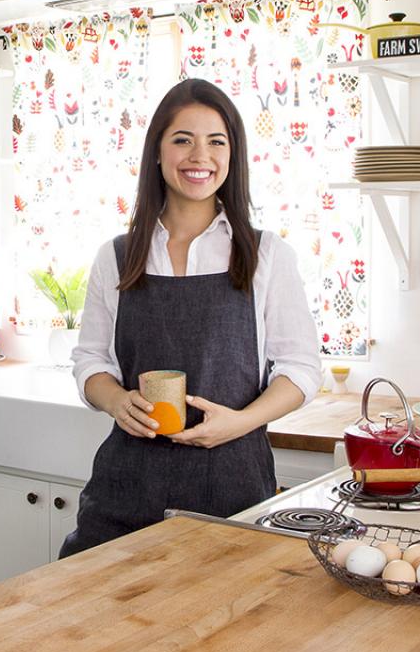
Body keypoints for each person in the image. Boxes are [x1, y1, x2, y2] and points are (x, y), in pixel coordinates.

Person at [59, 78, 321, 558]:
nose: (200, 155)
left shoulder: (266, 255)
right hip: (125, 491)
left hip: (231, 490)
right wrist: (117, 401)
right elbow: (90, 360)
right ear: (157, 152)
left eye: (216, 141)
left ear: (232, 155)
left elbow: (301, 369)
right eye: (183, 140)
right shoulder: (116, 256)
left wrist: (239, 423)